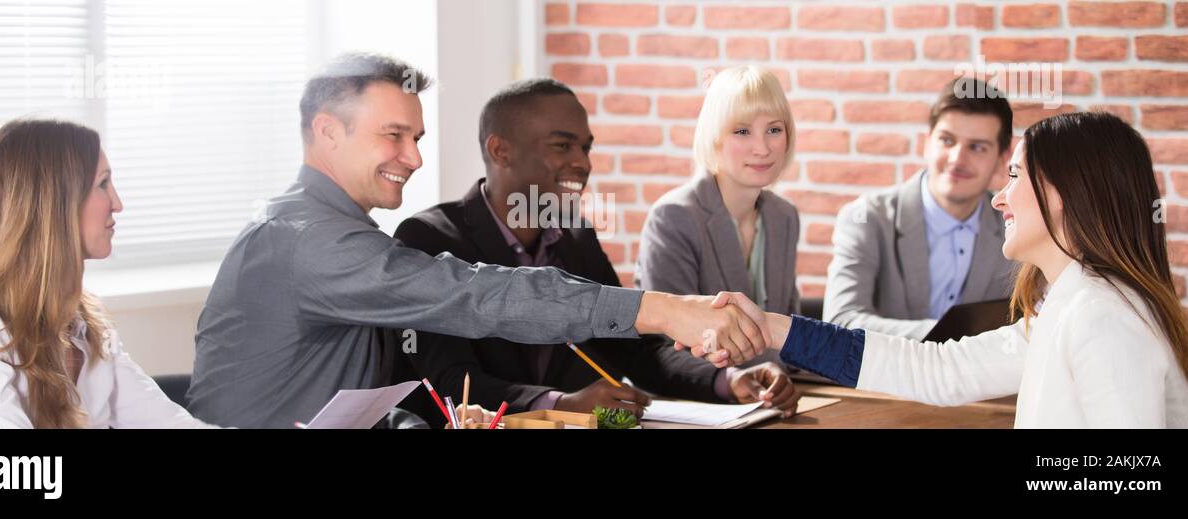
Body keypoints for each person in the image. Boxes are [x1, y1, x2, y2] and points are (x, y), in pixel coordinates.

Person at [187, 52, 771, 428]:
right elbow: (472, 296)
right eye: (394, 135)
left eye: (416, 136)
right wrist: (664, 308)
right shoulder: (310, 241)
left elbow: (377, 397)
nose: (414, 157)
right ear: (327, 131)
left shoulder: (333, 232)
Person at [694, 112, 1188, 428]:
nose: (1000, 199)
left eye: (1013, 176)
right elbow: (937, 371)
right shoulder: (1073, 303)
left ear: (1064, 193)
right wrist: (771, 327)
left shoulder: (1103, 317)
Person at [390, 78, 798, 425]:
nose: (582, 163)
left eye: (585, 148)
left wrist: (726, 381)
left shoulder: (574, 234)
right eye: (562, 146)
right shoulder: (429, 238)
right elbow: (447, 379)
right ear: (501, 151)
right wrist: (560, 404)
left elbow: (635, 352)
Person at [0, 119, 215, 428]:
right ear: (55, 203)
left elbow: (170, 424)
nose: (117, 204)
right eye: (102, 184)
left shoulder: (87, 328)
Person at [822, 77, 1019, 339]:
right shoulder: (866, 218)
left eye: (977, 147)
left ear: (1003, 158)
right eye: (947, 141)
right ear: (927, 142)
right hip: (879, 379)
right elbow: (840, 322)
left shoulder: (1015, 225)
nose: (957, 158)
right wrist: (948, 338)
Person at [635, 65, 801, 369]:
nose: (762, 148)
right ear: (714, 137)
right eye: (742, 131)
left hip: (774, 393)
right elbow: (669, 349)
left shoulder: (784, 217)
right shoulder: (673, 218)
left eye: (774, 130)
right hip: (698, 400)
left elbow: (787, 328)